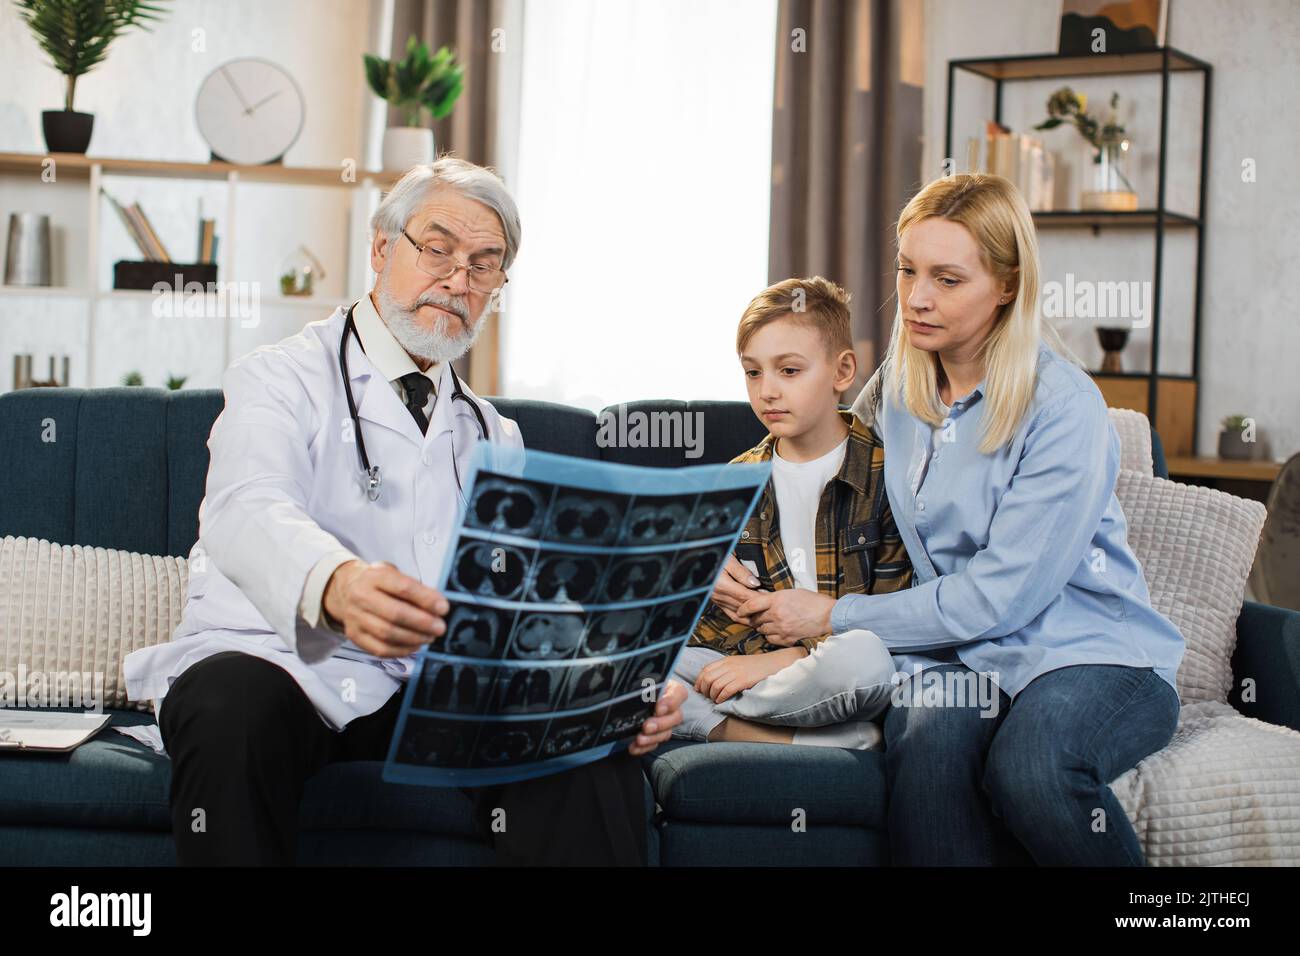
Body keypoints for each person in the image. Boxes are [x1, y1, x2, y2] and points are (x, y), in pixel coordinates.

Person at [122, 157, 685, 866]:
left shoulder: (490, 431)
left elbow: (521, 602)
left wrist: (606, 680)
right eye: (439, 249)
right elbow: (243, 506)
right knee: (231, 706)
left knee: (576, 744)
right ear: (384, 248)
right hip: (279, 662)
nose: (458, 281)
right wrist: (335, 584)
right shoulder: (280, 376)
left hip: (430, 689)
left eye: (486, 266)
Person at [711, 173, 1184, 866]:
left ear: (1007, 285)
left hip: (1088, 652)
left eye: (948, 278)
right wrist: (718, 539)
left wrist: (829, 617)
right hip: (951, 655)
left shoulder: (1063, 408)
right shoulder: (896, 387)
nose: (917, 296)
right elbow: (818, 465)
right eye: (907, 269)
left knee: (1031, 768)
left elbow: (1000, 596)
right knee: (929, 747)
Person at [673, 277, 911, 750]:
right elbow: (706, 627)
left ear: (843, 371)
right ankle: (788, 739)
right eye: (753, 372)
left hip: (830, 669)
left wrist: (784, 660)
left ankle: (723, 725)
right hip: (741, 667)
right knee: (622, 663)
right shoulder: (734, 481)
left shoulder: (887, 475)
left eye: (789, 371)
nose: (767, 392)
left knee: (866, 659)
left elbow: (892, 615)